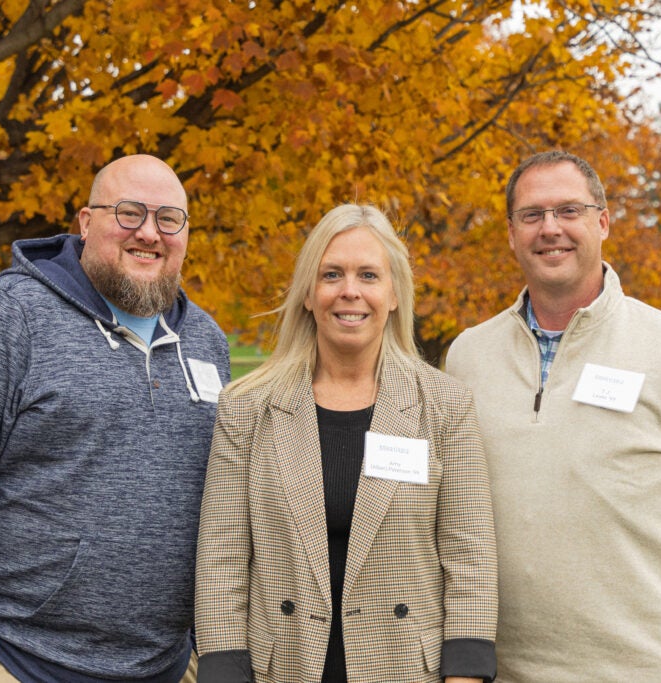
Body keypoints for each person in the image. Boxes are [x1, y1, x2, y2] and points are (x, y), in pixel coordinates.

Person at [0, 154, 231, 683]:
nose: (150, 233)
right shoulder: (7, 319)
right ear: (86, 222)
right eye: (129, 213)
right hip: (18, 661)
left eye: (169, 219)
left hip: (167, 664)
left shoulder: (205, 341)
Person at [445, 151, 661, 682]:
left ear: (603, 221)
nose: (551, 229)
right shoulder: (468, 357)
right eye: (532, 214)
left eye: (569, 210)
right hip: (505, 673)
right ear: (510, 233)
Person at [194, 204, 498, 683]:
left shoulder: (444, 405)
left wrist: (465, 674)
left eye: (369, 275)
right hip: (282, 667)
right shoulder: (247, 408)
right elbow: (222, 556)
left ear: (395, 294)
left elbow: (469, 554)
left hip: (406, 669)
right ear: (309, 296)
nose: (349, 291)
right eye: (331, 274)